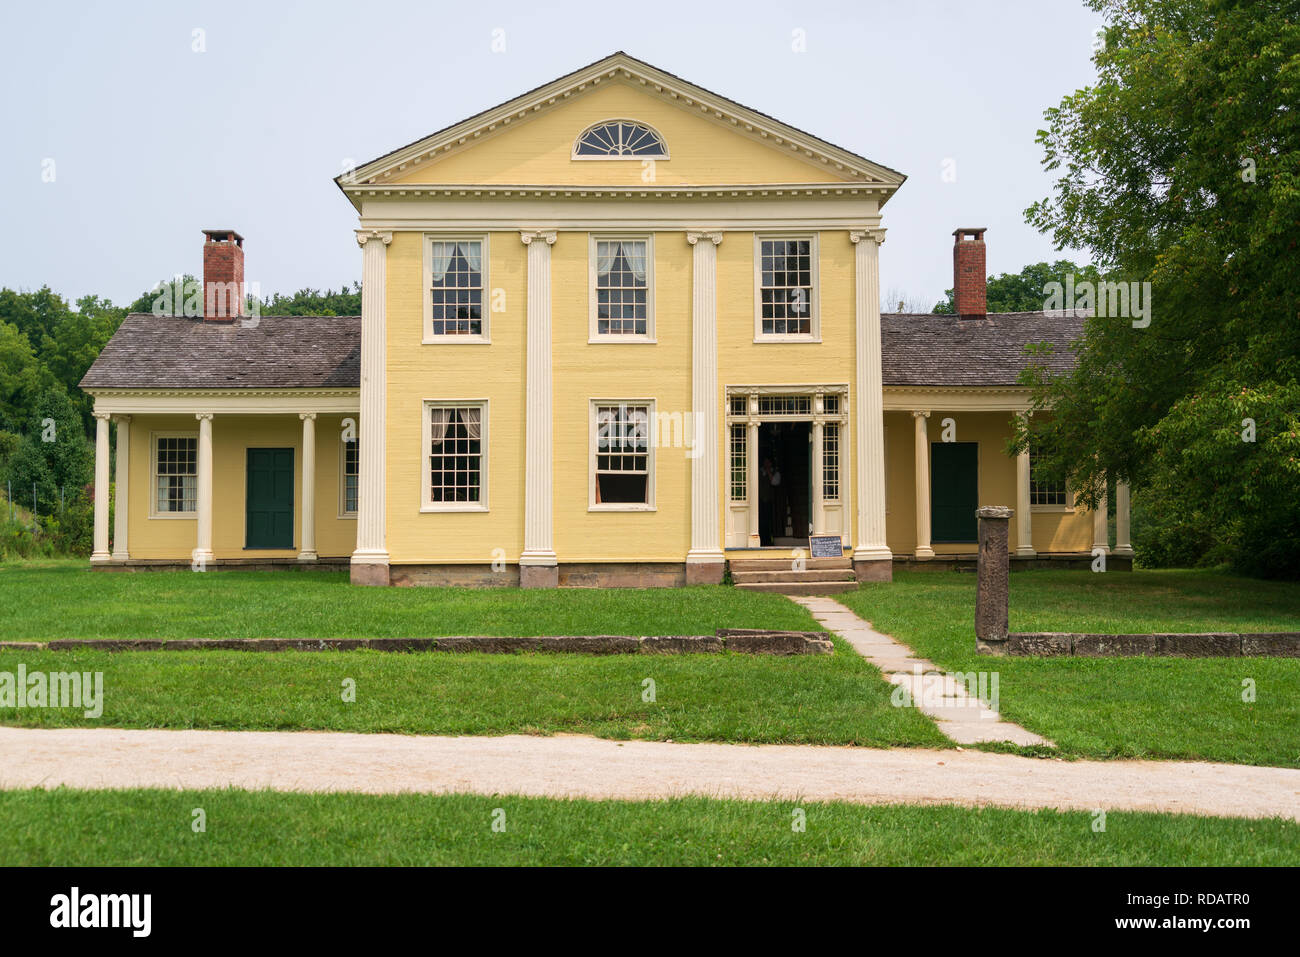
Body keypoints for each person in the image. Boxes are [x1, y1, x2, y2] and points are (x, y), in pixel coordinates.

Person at [759, 456, 782, 544]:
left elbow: (775, 482)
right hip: (760, 501)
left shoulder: (776, 472)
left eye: (768, 462)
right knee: (761, 522)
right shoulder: (759, 472)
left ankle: (770, 541)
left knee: (770, 522)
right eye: (765, 462)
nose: (766, 464)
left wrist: (769, 472)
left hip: (770, 501)